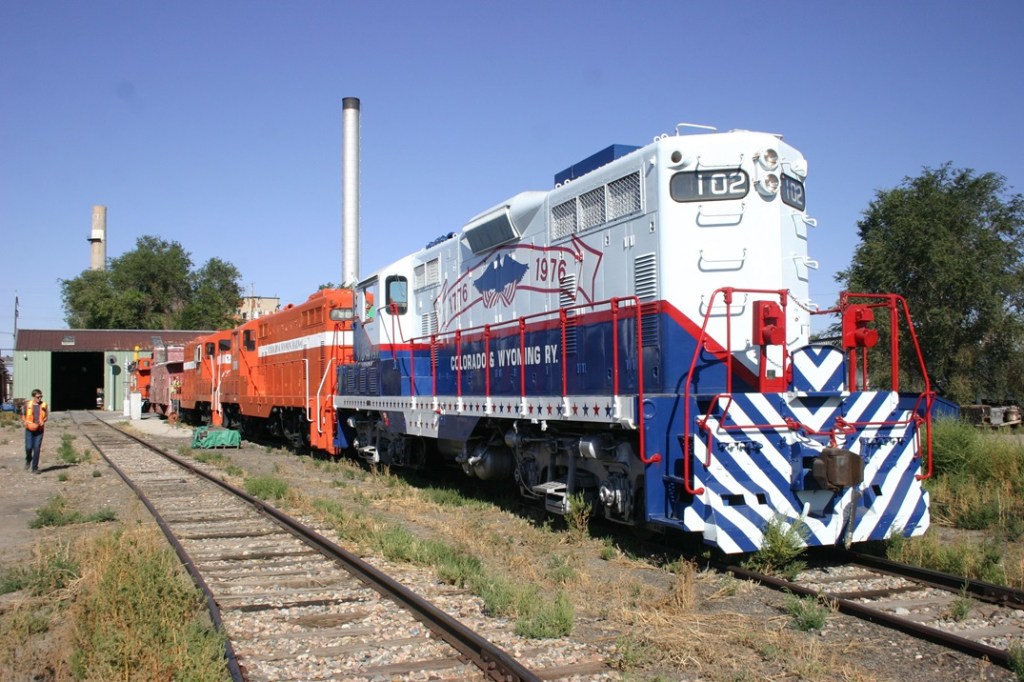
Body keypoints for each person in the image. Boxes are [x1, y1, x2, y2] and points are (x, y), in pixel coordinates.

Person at [23, 389, 48, 473]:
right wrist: (25, 422)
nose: (40, 398)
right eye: (38, 397)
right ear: (33, 396)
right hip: (29, 429)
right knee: (29, 447)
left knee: (37, 448)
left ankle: (34, 468)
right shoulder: (27, 405)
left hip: (39, 429)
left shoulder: (44, 405)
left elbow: (46, 417)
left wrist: (43, 421)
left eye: (41, 396)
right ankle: (28, 458)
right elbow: (23, 415)